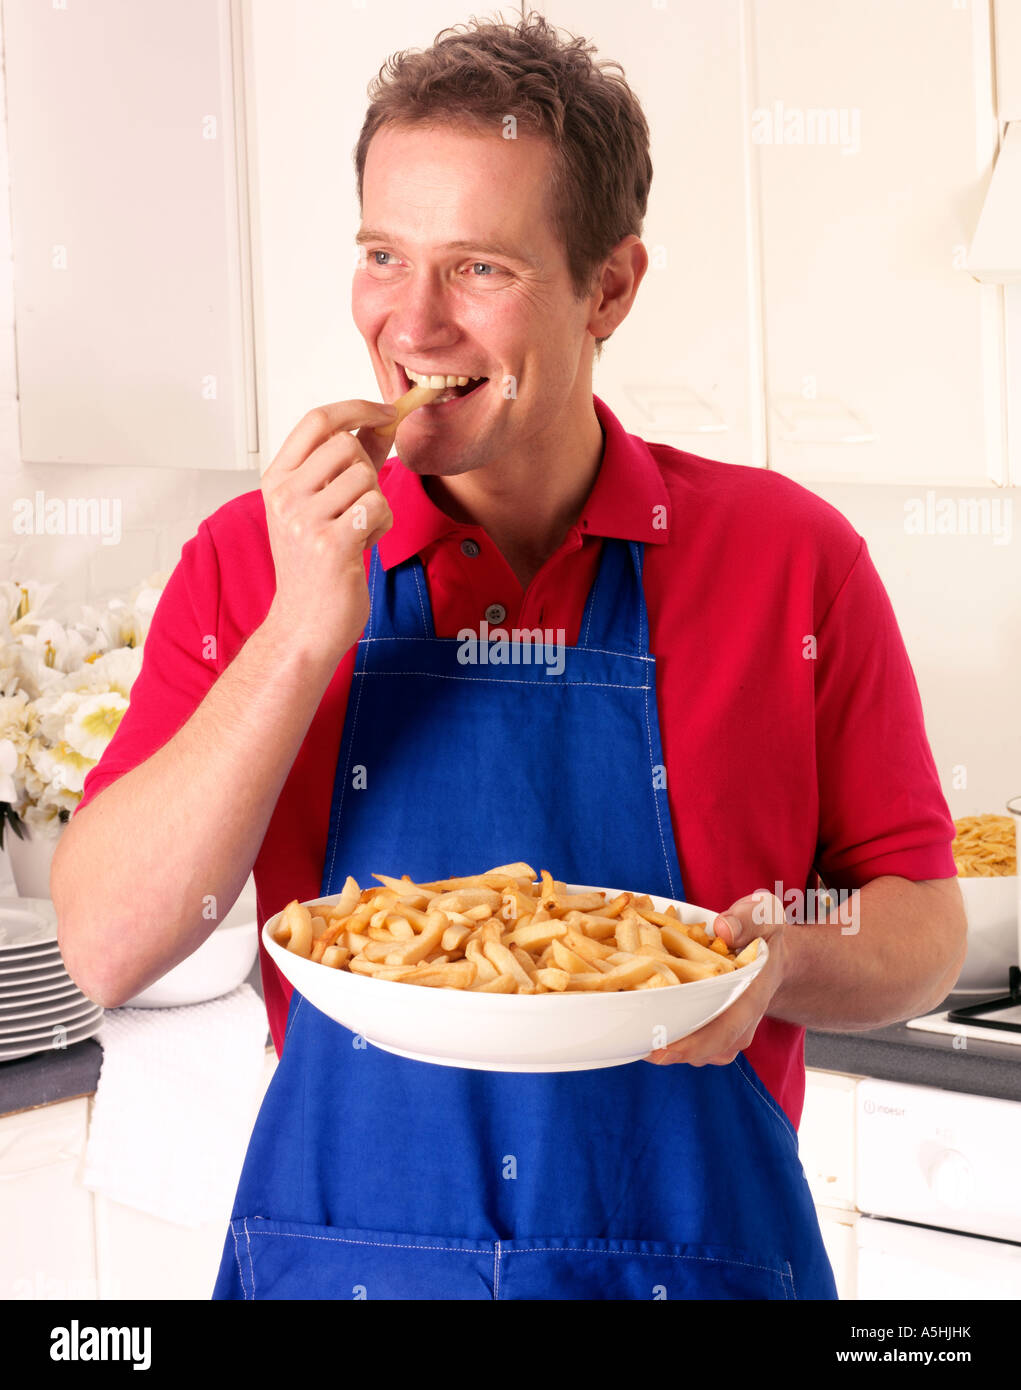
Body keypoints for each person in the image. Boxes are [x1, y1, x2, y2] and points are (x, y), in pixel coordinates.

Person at [54, 14, 966, 1301]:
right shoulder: (254, 559)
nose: (409, 323)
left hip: (698, 1273)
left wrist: (783, 952)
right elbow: (103, 940)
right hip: (344, 1270)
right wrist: (308, 623)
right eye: (381, 254)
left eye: (476, 267)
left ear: (609, 286)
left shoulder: (788, 560)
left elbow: (918, 911)